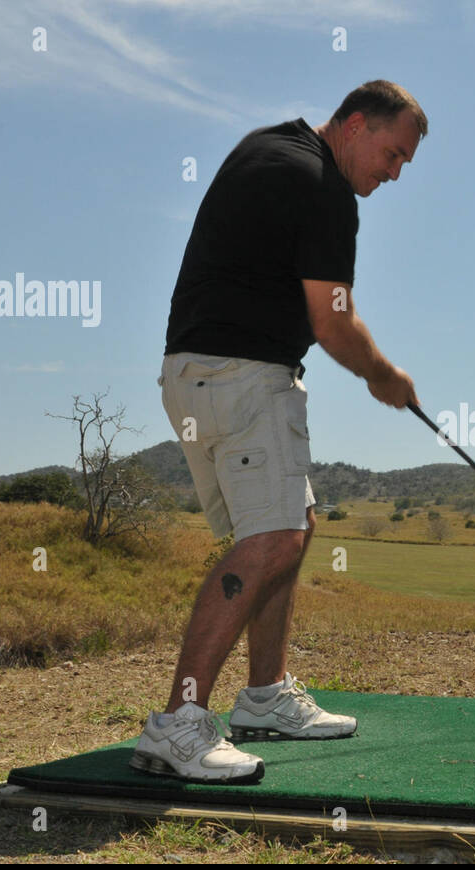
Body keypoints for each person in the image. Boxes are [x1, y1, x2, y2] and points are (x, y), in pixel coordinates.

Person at [131, 80, 426, 782]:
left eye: (405, 163)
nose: (393, 172)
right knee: (272, 540)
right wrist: (384, 374)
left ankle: (264, 694)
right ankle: (178, 723)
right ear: (355, 125)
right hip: (244, 375)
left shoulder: (266, 146)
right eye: (392, 153)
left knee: (294, 523)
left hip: (194, 372)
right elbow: (332, 321)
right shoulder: (324, 188)